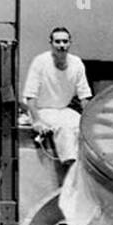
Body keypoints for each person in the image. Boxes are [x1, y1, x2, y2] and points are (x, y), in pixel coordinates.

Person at [24, 26, 93, 173]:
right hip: (41, 109)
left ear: (70, 43)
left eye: (65, 41)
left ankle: (85, 170)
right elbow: (30, 95)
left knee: (81, 127)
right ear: (51, 43)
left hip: (63, 109)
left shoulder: (77, 63)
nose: (61, 45)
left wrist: (88, 121)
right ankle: (70, 171)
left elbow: (84, 96)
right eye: (58, 42)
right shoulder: (40, 62)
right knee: (65, 127)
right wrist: (36, 121)